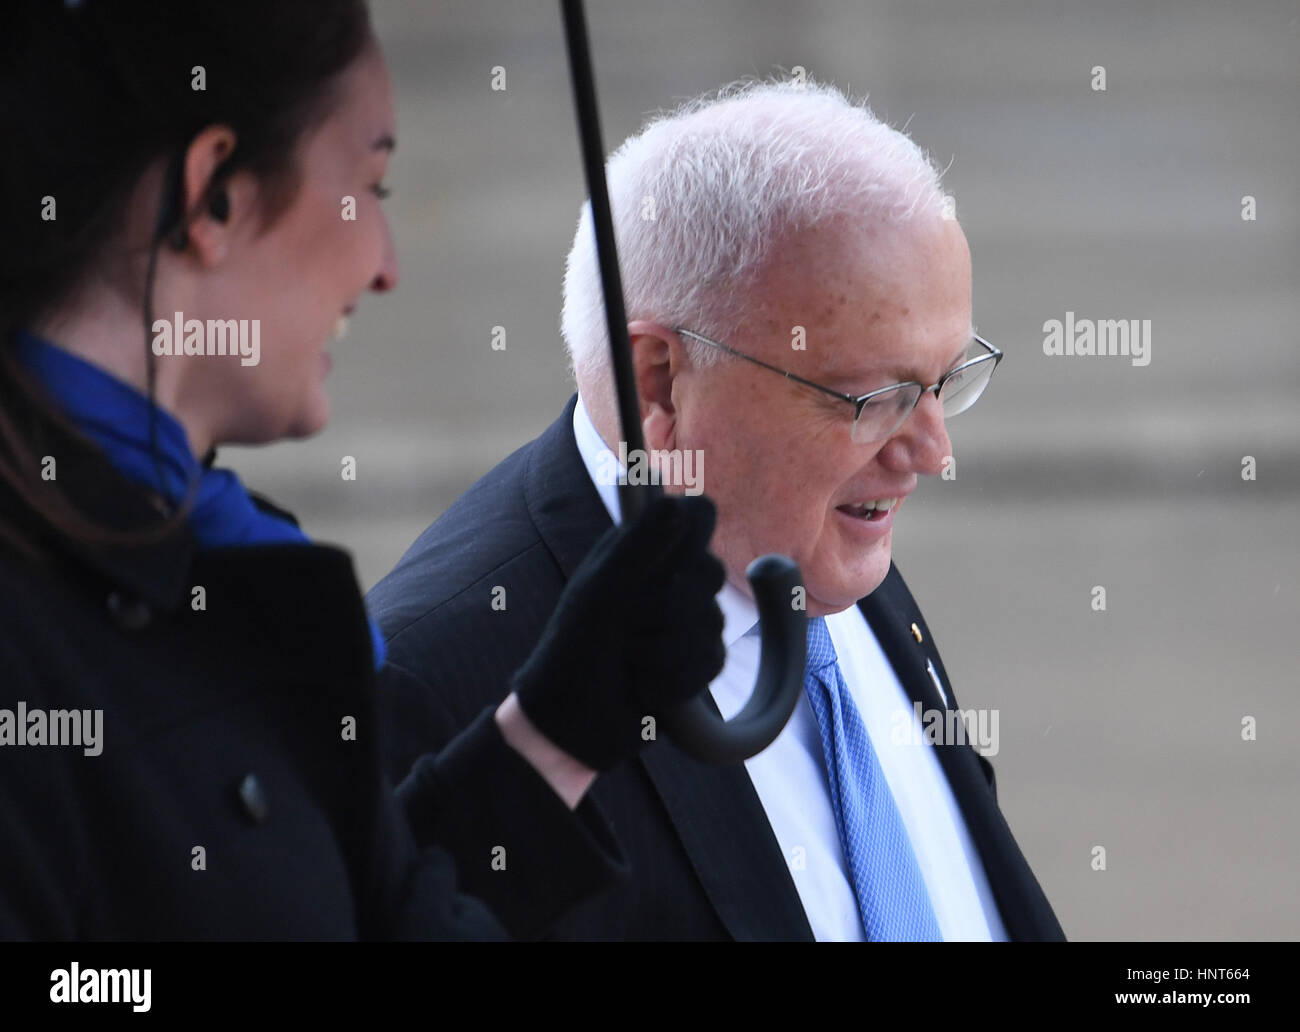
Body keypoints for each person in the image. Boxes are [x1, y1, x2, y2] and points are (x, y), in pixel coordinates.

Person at [0, 0, 727, 940]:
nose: (385, 266)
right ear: (213, 193)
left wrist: (557, 729)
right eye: (370, 187)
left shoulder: (196, 560)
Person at [368, 80, 1066, 940]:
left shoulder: (816, 538)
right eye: (870, 397)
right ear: (659, 380)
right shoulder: (438, 684)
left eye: (943, 383)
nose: (933, 452)